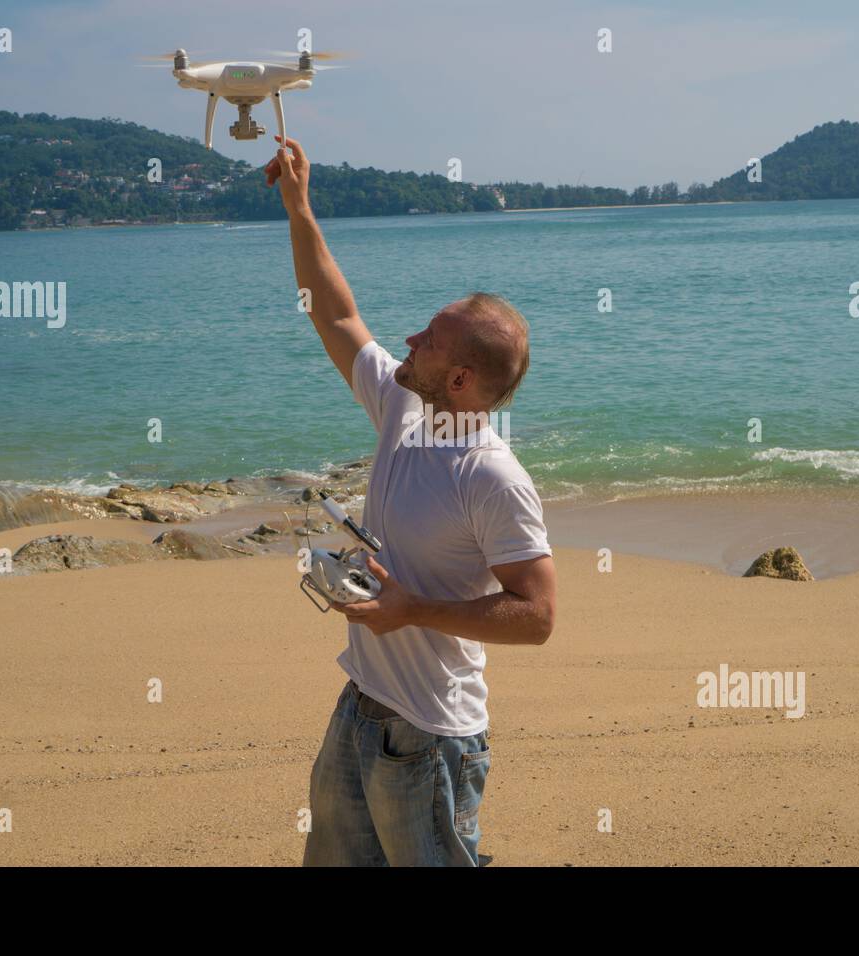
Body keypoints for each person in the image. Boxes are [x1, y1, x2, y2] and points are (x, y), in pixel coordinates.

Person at [266, 136, 557, 867]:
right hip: (361, 702)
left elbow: (539, 617)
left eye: (428, 339)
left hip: (432, 735)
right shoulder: (404, 405)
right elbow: (336, 317)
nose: (409, 338)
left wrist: (413, 610)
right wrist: (300, 209)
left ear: (459, 380)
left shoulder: (491, 477)